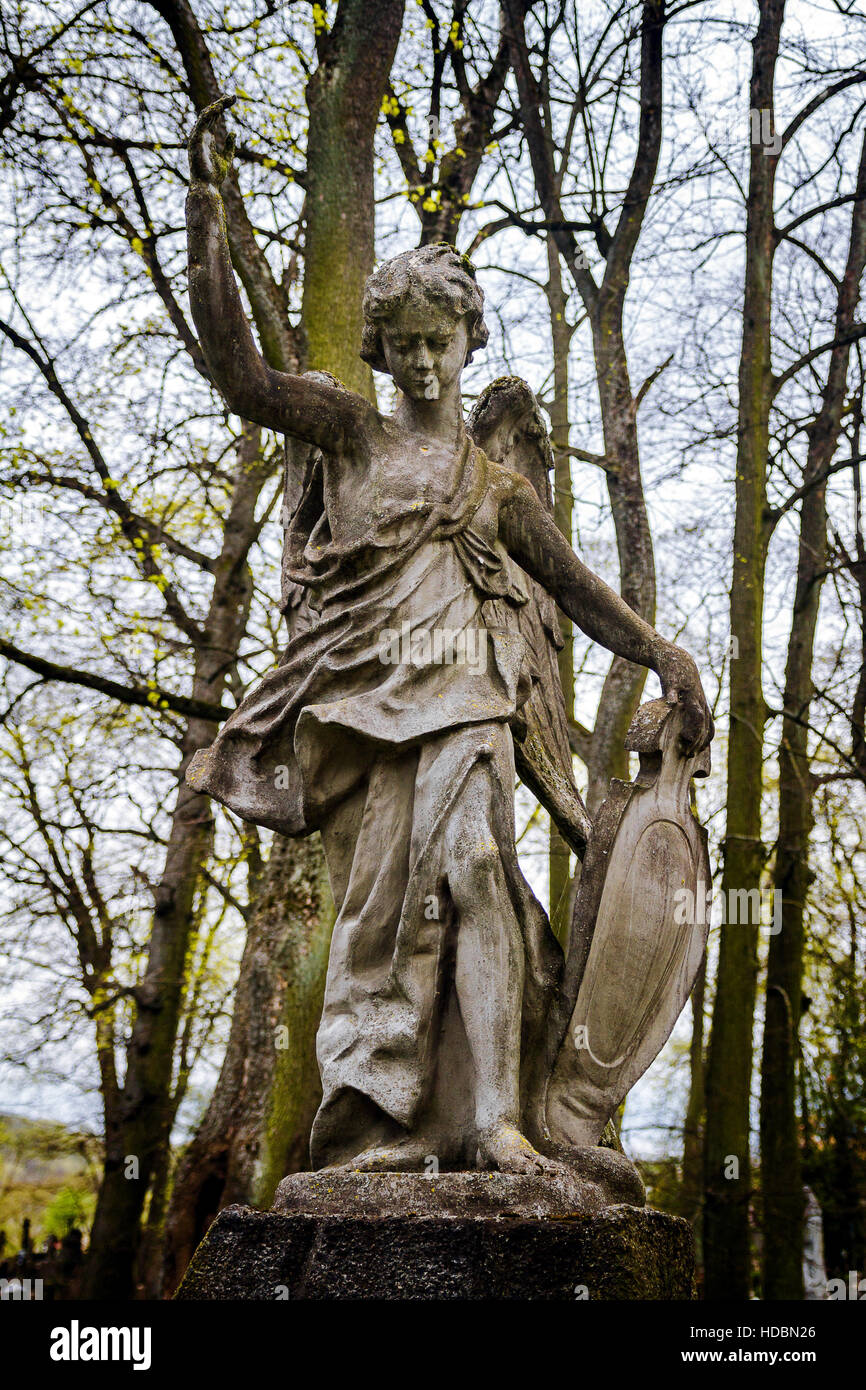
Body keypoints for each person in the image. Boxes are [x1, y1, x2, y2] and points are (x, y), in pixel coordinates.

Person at [184, 97, 713, 1175]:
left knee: (474, 871)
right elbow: (238, 374)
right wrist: (208, 218)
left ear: (468, 341)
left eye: (441, 343)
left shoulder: (494, 483)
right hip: (360, 716)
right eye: (405, 347)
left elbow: (574, 589)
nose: (424, 365)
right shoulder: (346, 434)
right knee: (379, 922)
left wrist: (657, 647)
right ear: (378, 350)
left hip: (466, 700)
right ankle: (384, 1116)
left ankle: (495, 1124)